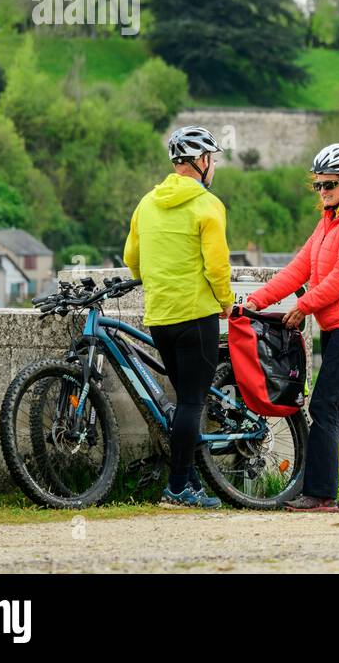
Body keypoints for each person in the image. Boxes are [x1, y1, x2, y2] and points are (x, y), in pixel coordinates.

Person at [244, 142, 339, 512]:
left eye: (330, 185)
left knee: (323, 404)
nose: (322, 192)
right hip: (337, 325)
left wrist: (303, 306)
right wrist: (257, 300)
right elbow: (297, 269)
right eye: (318, 185)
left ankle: (320, 493)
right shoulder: (328, 224)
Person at [124, 125, 233, 508]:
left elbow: (131, 260)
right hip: (197, 315)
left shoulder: (147, 203)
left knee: (181, 399)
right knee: (191, 402)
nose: (214, 165)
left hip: (160, 316)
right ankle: (178, 488)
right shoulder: (207, 205)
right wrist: (226, 301)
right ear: (200, 162)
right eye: (212, 159)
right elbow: (218, 266)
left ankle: (188, 483)